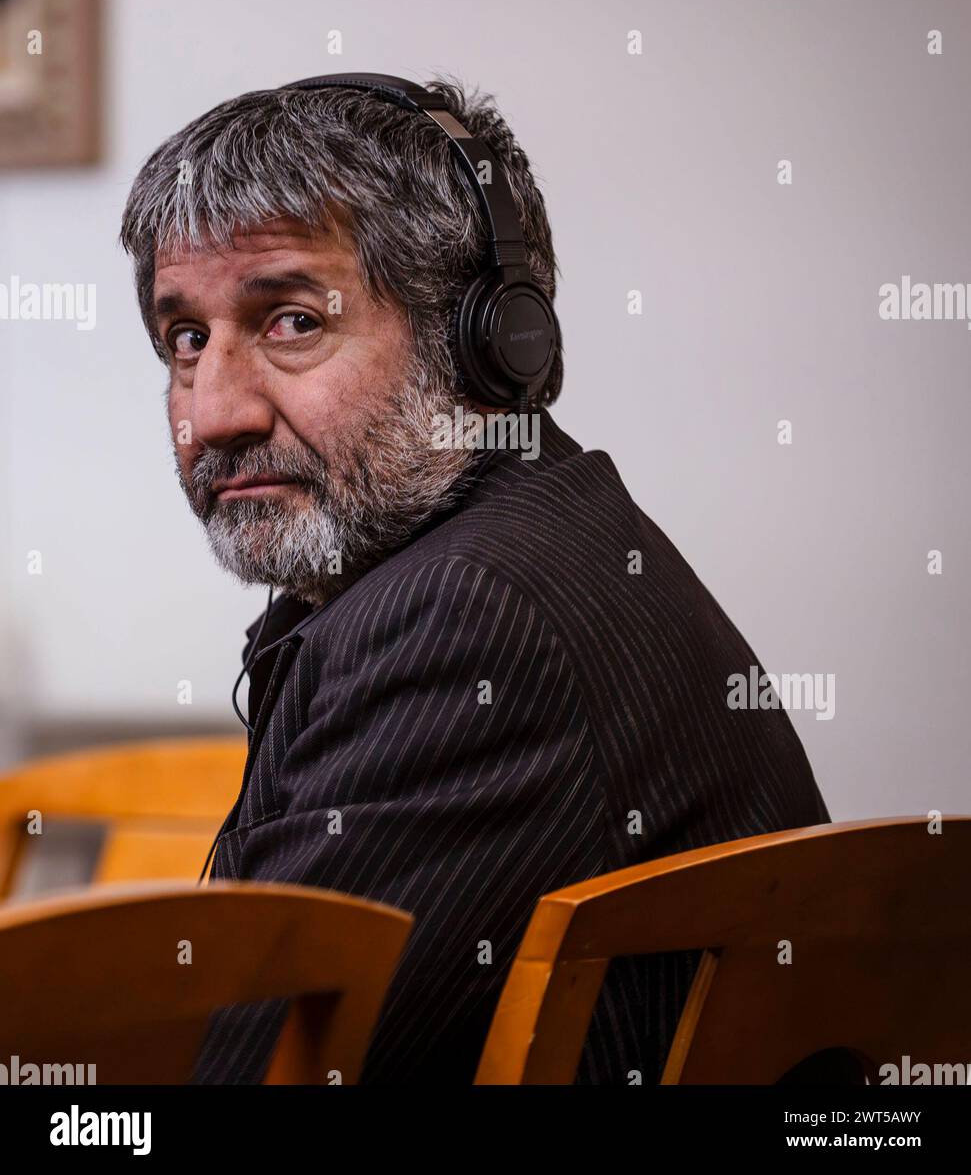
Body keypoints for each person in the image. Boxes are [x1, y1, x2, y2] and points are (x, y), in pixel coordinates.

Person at [119, 72, 830, 1085]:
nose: (215, 410)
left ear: (484, 346)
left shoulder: (464, 618)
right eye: (186, 339)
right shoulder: (531, 539)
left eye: (290, 321)